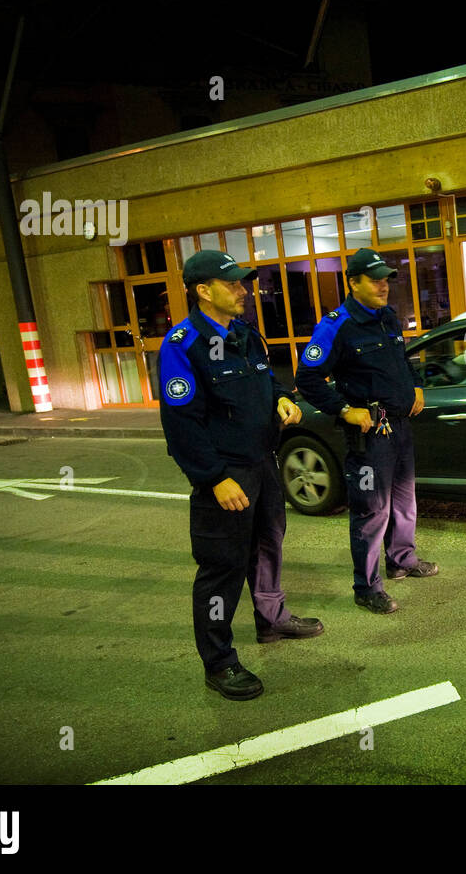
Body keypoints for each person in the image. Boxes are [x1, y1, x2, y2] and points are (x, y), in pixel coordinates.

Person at [159, 249, 323, 701]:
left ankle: (272, 620)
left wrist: (282, 398)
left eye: (242, 282)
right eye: (232, 283)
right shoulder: (182, 344)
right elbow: (181, 424)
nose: (243, 290)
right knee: (222, 569)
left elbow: (264, 380)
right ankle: (219, 662)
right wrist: (213, 477)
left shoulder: (245, 334)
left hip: (262, 462)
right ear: (203, 290)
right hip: (226, 474)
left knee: (269, 545)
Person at [294, 247, 436, 615]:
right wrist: (344, 410)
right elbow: (308, 378)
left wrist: (416, 385)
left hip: (400, 426)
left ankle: (402, 559)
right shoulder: (336, 325)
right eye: (374, 279)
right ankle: (366, 587)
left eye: (386, 279)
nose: (383, 285)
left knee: (405, 502)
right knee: (372, 511)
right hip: (371, 433)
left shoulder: (387, 317)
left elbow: (403, 359)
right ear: (353, 282)